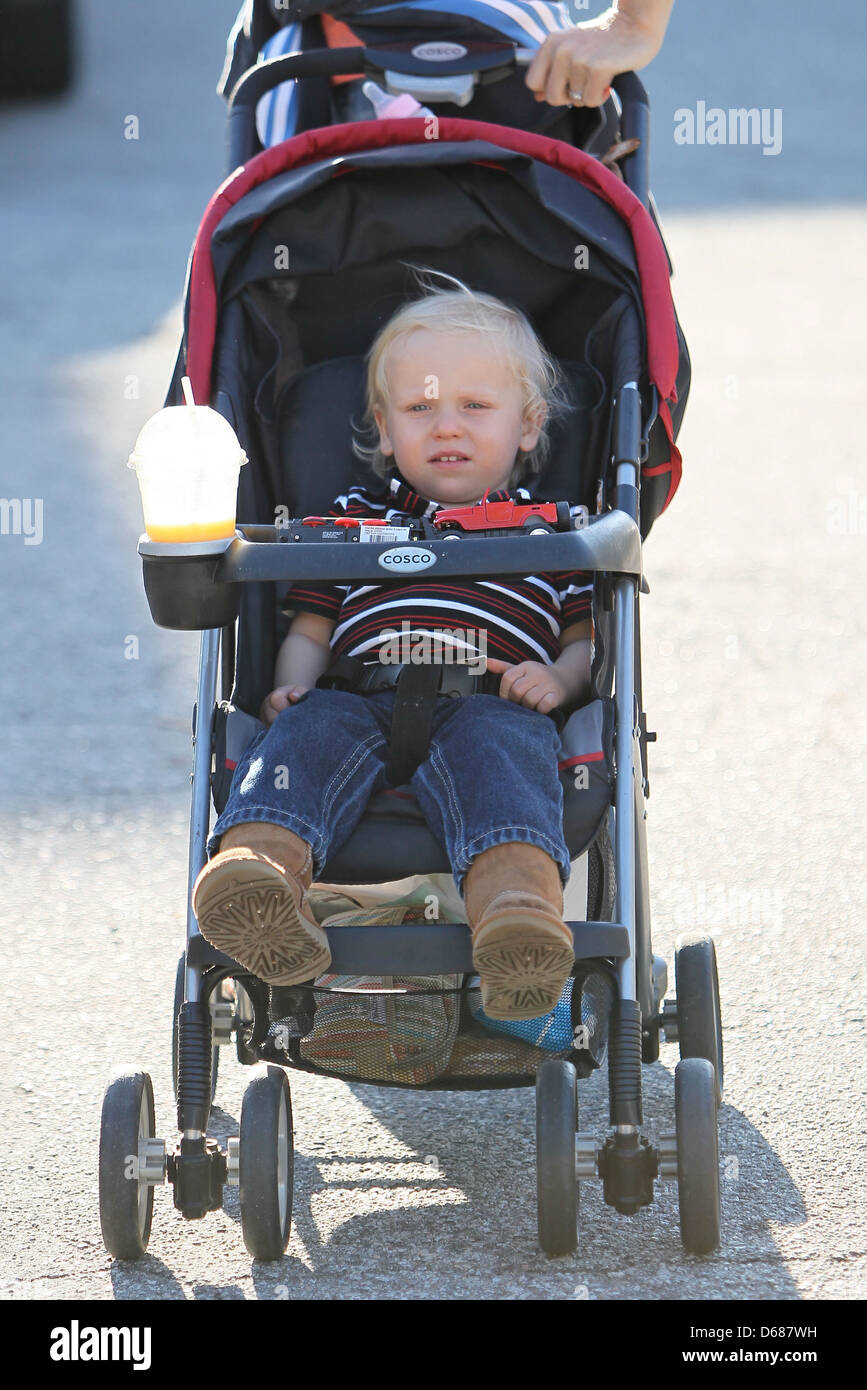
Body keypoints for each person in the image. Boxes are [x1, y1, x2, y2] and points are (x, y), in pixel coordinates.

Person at [192, 276, 595, 1022]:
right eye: (419, 409)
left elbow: (582, 637)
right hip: (355, 694)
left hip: (493, 697)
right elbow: (311, 623)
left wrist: (560, 680)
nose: (446, 427)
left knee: (501, 757)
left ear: (528, 424)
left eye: (474, 407)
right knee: (299, 740)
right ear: (384, 428)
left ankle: (515, 913)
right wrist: (290, 687)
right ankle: (261, 878)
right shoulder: (353, 519)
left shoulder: (555, 529)